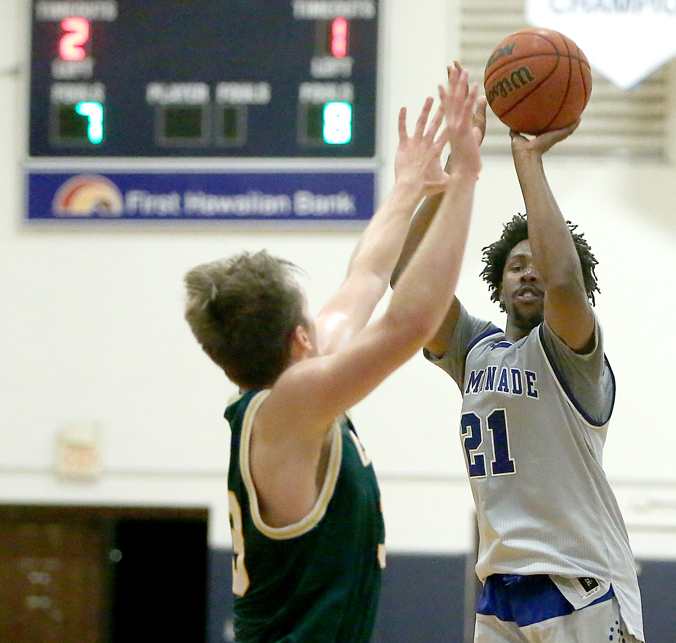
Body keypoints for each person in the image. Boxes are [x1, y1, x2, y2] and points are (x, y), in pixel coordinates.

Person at [182, 67, 482, 643]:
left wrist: (410, 186)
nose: (323, 320)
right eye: (309, 318)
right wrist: (467, 176)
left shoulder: (289, 400)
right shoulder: (291, 404)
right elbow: (411, 322)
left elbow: (367, 277)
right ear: (300, 339)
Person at [393, 79, 644, 642]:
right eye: (515, 265)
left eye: (538, 261)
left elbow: (561, 278)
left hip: (581, 583)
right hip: (500, 593)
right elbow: (407, 283)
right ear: (498, 286)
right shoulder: (473, 350)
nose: (530, 271)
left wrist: (526, 157)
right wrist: (456, 174)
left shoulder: (574, 352)